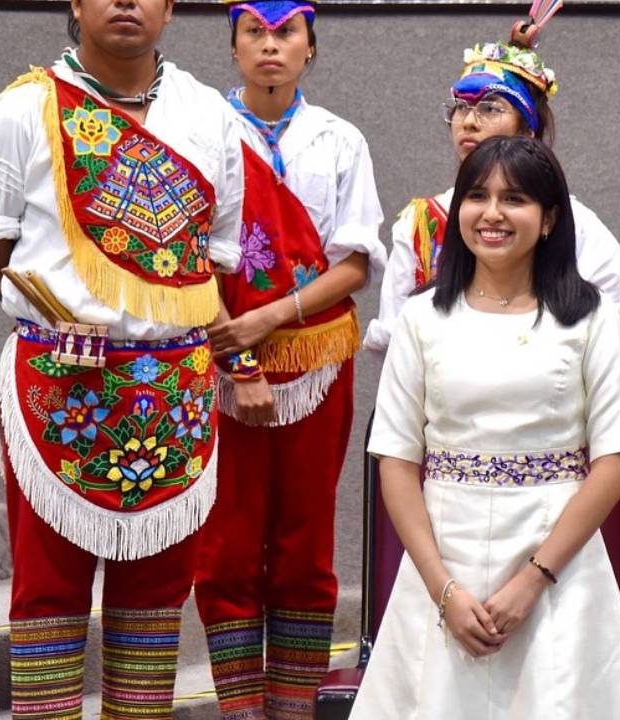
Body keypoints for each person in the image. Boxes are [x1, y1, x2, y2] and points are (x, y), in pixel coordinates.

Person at [0, 1, 244, 717]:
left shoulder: (207, 112)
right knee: (49, 595)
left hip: (173, 393)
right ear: (76, 5)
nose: (126, 2)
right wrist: (54, 310)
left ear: (170, 9)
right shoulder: (27, 108)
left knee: (155, 600)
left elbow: (215, 251)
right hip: (62, 387)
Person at [349, 135, 620, 719]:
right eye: (477, 196)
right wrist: (443, 591)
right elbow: (396, 460)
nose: (492, 214)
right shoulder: (421, 317)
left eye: (514, 199)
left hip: (560, 568)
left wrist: (533, 580)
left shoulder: (589, 319)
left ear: (549, 218)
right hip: (443, 560)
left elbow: (615, 461)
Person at [192, 2, 386, 718]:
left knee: (306, 541)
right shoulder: (200, 132)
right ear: (233, 47)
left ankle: (297, 706)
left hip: (316, 361)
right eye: (255, 33)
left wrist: (270, 318)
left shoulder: (339, 139)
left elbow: (355, 262)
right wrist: (237, 362)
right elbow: (185, 254)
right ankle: (240, 710)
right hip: (218, 359)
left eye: (285, 33)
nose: (270, 46)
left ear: (311, 48)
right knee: (227, 544)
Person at [362, 0, 620, 355]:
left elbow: (601, 345)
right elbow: (396, 347)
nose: (469, 121)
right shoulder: (422, 225)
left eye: (490, 108)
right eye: (461, 106)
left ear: (528, 131)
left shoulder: (580, 228)